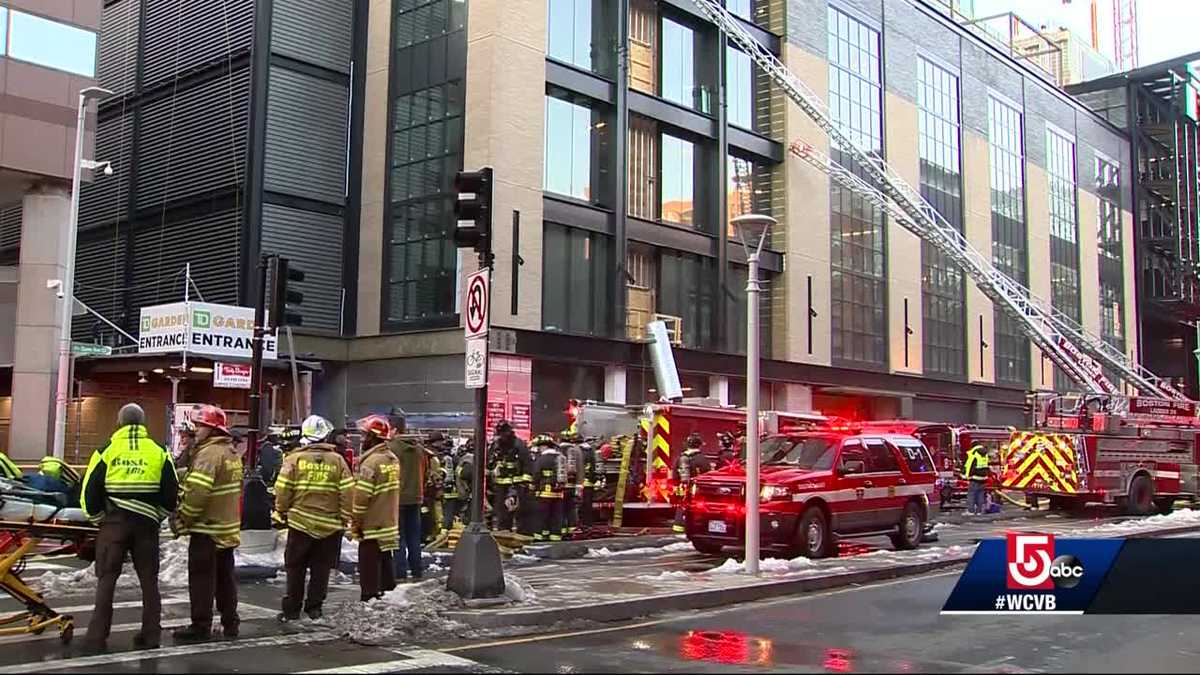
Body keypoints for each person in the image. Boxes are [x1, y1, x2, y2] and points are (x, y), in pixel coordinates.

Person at [79, 403, 178, 652]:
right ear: (143, 423)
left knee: (106, 580)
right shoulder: (159, 451)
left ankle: (96, 637)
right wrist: (157, 515)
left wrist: (100, 518)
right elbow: (171, 493)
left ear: (119, 422)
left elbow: (89, 492)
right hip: (146, 526)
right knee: (149, 582)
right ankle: (150, 635)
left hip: (114, 524)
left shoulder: (106, 451)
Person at [172, 404, 243, 643]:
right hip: (225, 527)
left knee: (202, 579)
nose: (196, 429)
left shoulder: (208, 454)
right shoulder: (229, 452)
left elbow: (198, 493)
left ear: (212, 428)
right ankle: (230, 621)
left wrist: (183, 519)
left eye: (201, 425)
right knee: (225, 579)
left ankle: (200, 625)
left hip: (207, 529)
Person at [273, 415, 353, 622]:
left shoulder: (294, 459)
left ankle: (291, 609)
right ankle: (314, 608)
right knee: (321, 568)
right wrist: (345, 516)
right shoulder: (338, 461)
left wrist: (281, 511)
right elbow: (347, 492)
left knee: (295, 567)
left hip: (300, 524)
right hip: (330, 526)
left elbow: (282, 489)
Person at [351, 415, 400, 600]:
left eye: (365, 436)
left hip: (372, 521)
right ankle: (387, 591)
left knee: (369, 560)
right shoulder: (392, 459)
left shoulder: (371, 462)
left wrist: (357, 521)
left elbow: (362, 496)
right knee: (385, 556)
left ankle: (369, 596)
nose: (362, 440)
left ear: (373, 437)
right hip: (387, 519)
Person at [389, 420, 427, 581]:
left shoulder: (392, 449)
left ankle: (400, 571)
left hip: (398, 498)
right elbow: (426, 470)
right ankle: (417, 570)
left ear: (394, 429)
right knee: (414, 536)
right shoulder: (419, 449)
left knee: (399, 537)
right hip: (416, 497)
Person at [490, 421, 533, 534]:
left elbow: (528, 465)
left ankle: (522, 534)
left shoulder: (519, 445)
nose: (500, 437)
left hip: (517, 485)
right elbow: (490, 463)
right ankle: (504, 533)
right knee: (502, 512)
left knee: (519, 512)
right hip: (500, 486)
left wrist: (524, 484)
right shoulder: (496, 445)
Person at [672, 432, 713, 533]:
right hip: (697, 489)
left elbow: (675, 474)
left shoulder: (681, 458)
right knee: (697, 509)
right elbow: (707, 475)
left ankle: (678, 526)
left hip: (682, 488)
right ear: (699, 445)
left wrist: (677, 486)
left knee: (682, 506)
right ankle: (695, 527)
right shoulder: (702, 459)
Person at [531, 435, 565, 542]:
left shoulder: (542, 459)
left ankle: (540, 536)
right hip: (559, 492)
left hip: (545, 492)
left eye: (540, 447)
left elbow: (536, 474)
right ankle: (555, 536)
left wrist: (535, 487)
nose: (540, 449)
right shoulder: (561, 457)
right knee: (556, 515)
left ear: (544, 447)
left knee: (542, 515)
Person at [962, 443, 990, 516]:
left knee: (971, 494)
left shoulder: (974, 453)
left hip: (975, 478)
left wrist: (966, 476)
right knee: (980, 494)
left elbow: (969, 465)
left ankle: (970, 511)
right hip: (983, 477)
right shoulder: (985, 453)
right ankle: (979, 511)